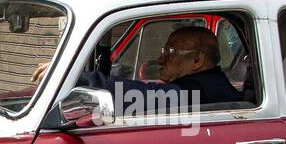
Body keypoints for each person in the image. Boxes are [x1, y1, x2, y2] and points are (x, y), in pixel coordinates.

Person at [32, 26, 243, 108]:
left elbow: (142, 95)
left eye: (169, 53)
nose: (160, 59)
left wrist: (75, 77)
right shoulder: (206, 84)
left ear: (196, 60)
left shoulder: (200, 91)